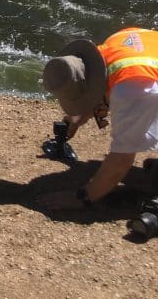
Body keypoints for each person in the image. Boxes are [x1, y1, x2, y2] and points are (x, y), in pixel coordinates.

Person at [40, 27, 158, 211]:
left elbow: (121, 161)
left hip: (144, 88)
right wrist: (79, 118)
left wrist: (82, 197)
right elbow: (106, 82)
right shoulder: (117, 40)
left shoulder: (130, 89)